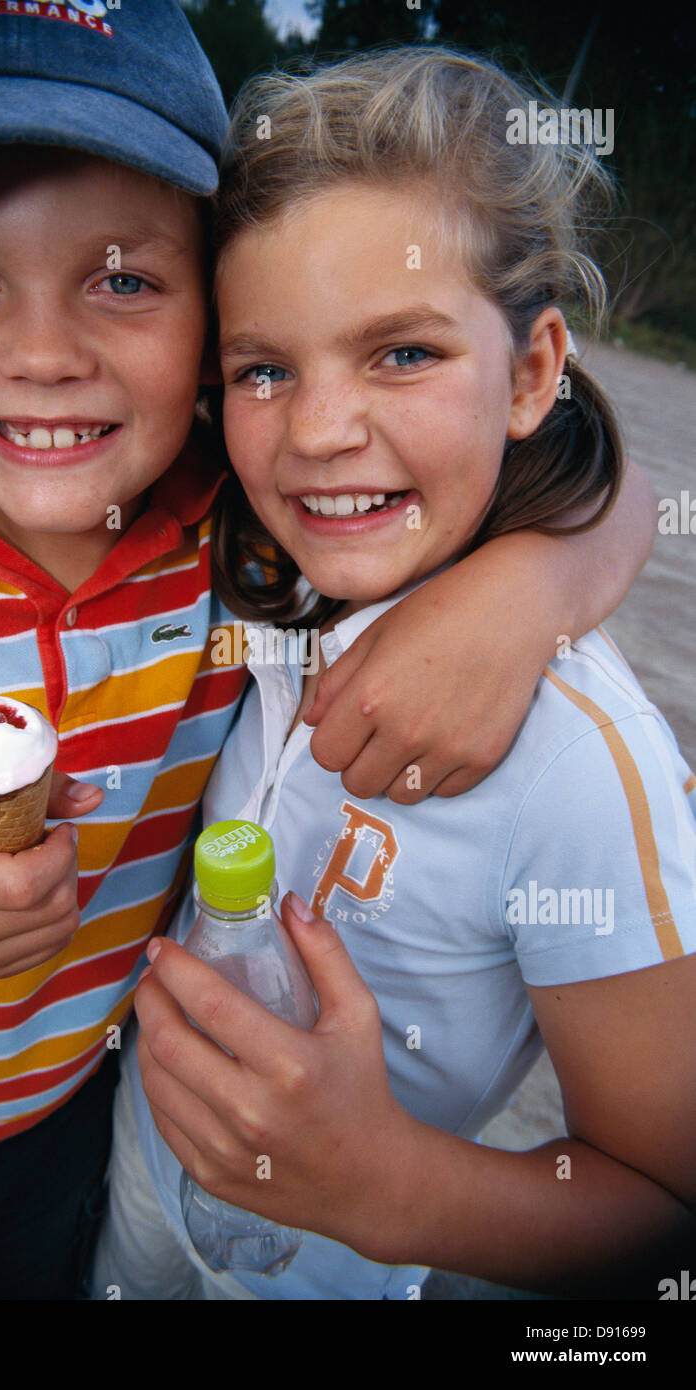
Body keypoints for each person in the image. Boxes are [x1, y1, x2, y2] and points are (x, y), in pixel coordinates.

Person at [94, 47, 696, 1301]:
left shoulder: (579, 762)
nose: (317, 431)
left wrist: (387, 1188)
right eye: (263, 368)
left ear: (533, 373)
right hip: (138, 1175)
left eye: (403, 354)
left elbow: (662, 1198)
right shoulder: (241, 553)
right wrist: (547, 571)